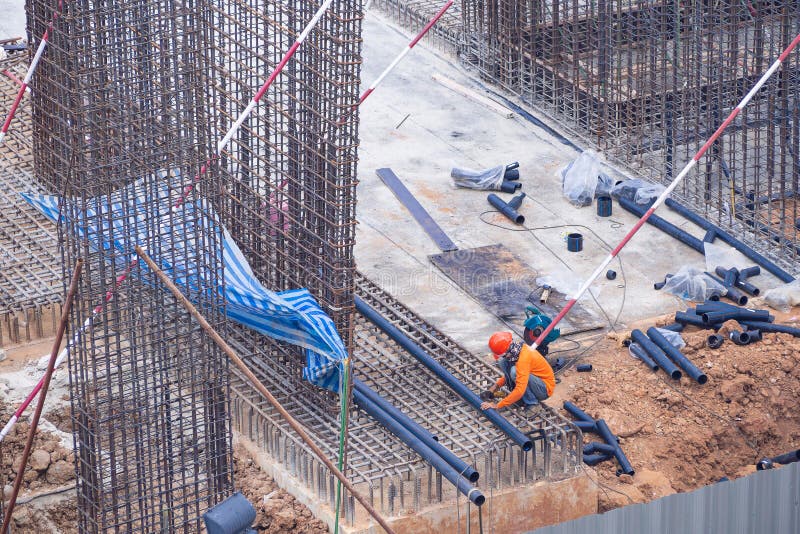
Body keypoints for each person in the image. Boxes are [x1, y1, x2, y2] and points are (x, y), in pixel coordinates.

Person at [479, 331, 555, 412]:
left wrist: (497, 405)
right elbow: (507, 377)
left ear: (508, 352)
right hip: (533, 382)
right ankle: (519, 398)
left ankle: (533, 404)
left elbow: (520, 389)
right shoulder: (516, 351)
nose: (504, 357)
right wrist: (492, 390)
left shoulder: (523, 359)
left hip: (544, 390)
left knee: (514, 371)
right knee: (503, 362)